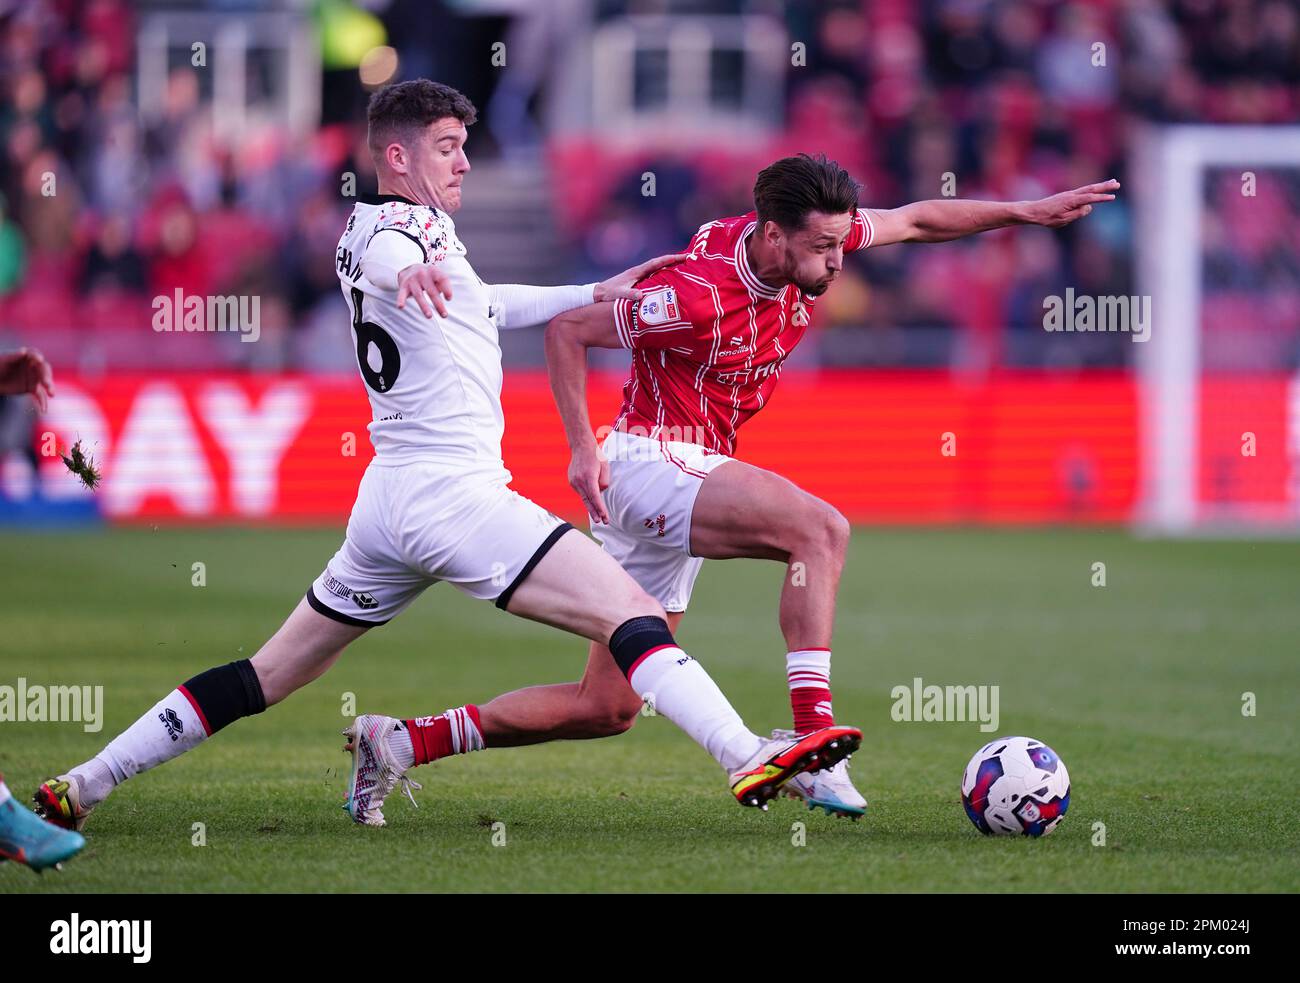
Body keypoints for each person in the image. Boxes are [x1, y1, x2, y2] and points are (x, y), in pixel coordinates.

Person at [33, 81, 861, 833]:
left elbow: (485, 301)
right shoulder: (388, 233)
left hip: (389, 502)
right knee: (632, 618)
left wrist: (594, 291)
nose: (464, 159)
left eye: (465, 144)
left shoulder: (425, 233)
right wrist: (413, 277)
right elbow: (395, 266)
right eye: (445, 146)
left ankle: (84, 782)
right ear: (396, 156)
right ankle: (744, 753)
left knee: (266, 674)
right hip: (453, 498)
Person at [493, 155, 1118, 818]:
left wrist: (1023, 212)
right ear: (771, 237)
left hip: (686, 472)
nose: (838, 261)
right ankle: (812, 738)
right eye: (823, 248)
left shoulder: (810, 240)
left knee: (607, 706)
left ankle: (406, 741)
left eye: (840, 243)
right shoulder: (698, 293)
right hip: (650, 460)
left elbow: (916, 219)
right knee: (820, 529)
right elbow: (568, 329)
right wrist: (582, 448)